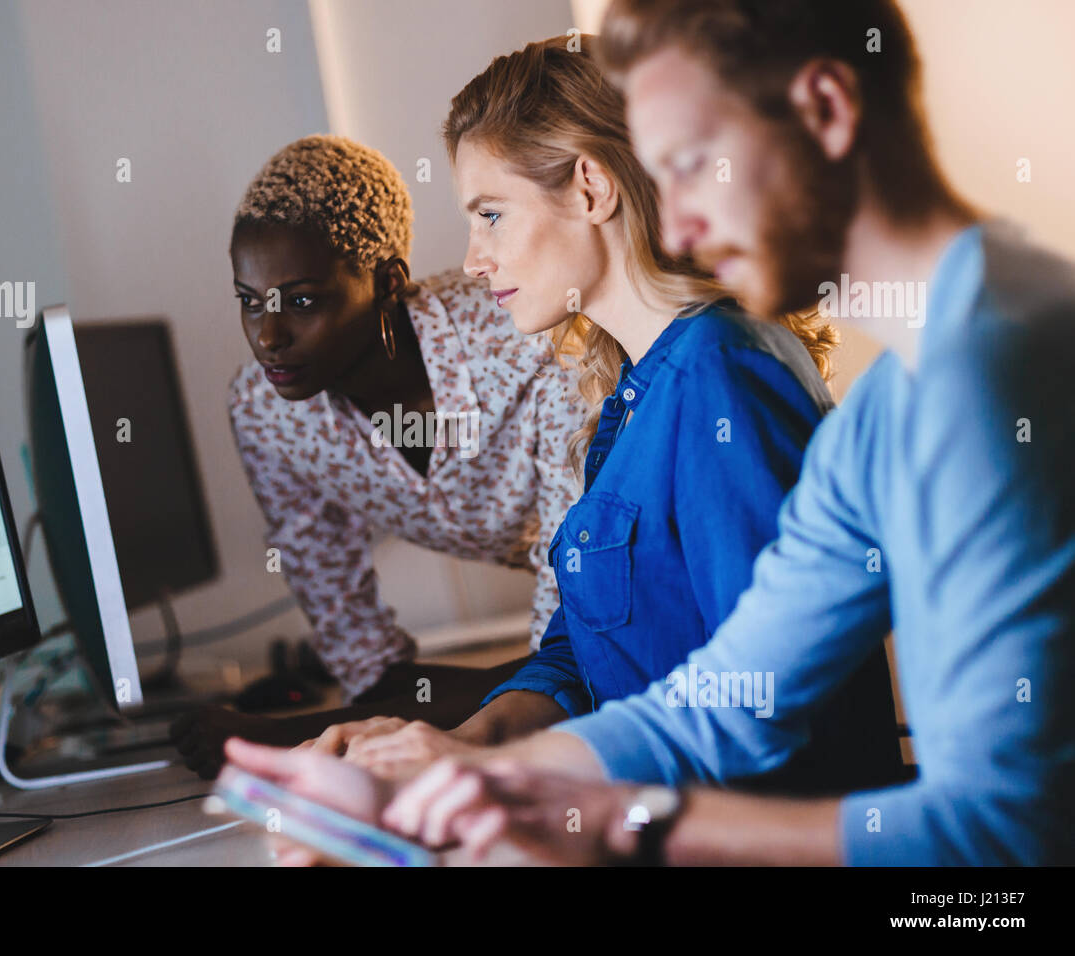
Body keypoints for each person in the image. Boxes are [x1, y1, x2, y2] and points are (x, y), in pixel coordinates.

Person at [226, 0, 1075, 866]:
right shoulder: (896, 397)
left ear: (823, 108)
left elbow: (998, 845)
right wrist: (474, 777)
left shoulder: (997, 368)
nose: (674, 214)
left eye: (687, 164)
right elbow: (727, 701)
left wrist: (605, 824)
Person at [302, 37, 902, 802]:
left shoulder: (722, 373)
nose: (473, 258)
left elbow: (764, 706)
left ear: (590, 188)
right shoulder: (626, 397)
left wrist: (512, 782)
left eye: (490, 215)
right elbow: (584, 658)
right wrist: (462, 743)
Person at [171, 135, 585, 778]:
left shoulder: (527, 336)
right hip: (570, 650)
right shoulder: (265, 411)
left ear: (388, 282)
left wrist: (290, 734)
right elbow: (371, 670)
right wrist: (361, 716)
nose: (268, 336)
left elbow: (574, 657)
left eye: (301, 301)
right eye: (249, 301)